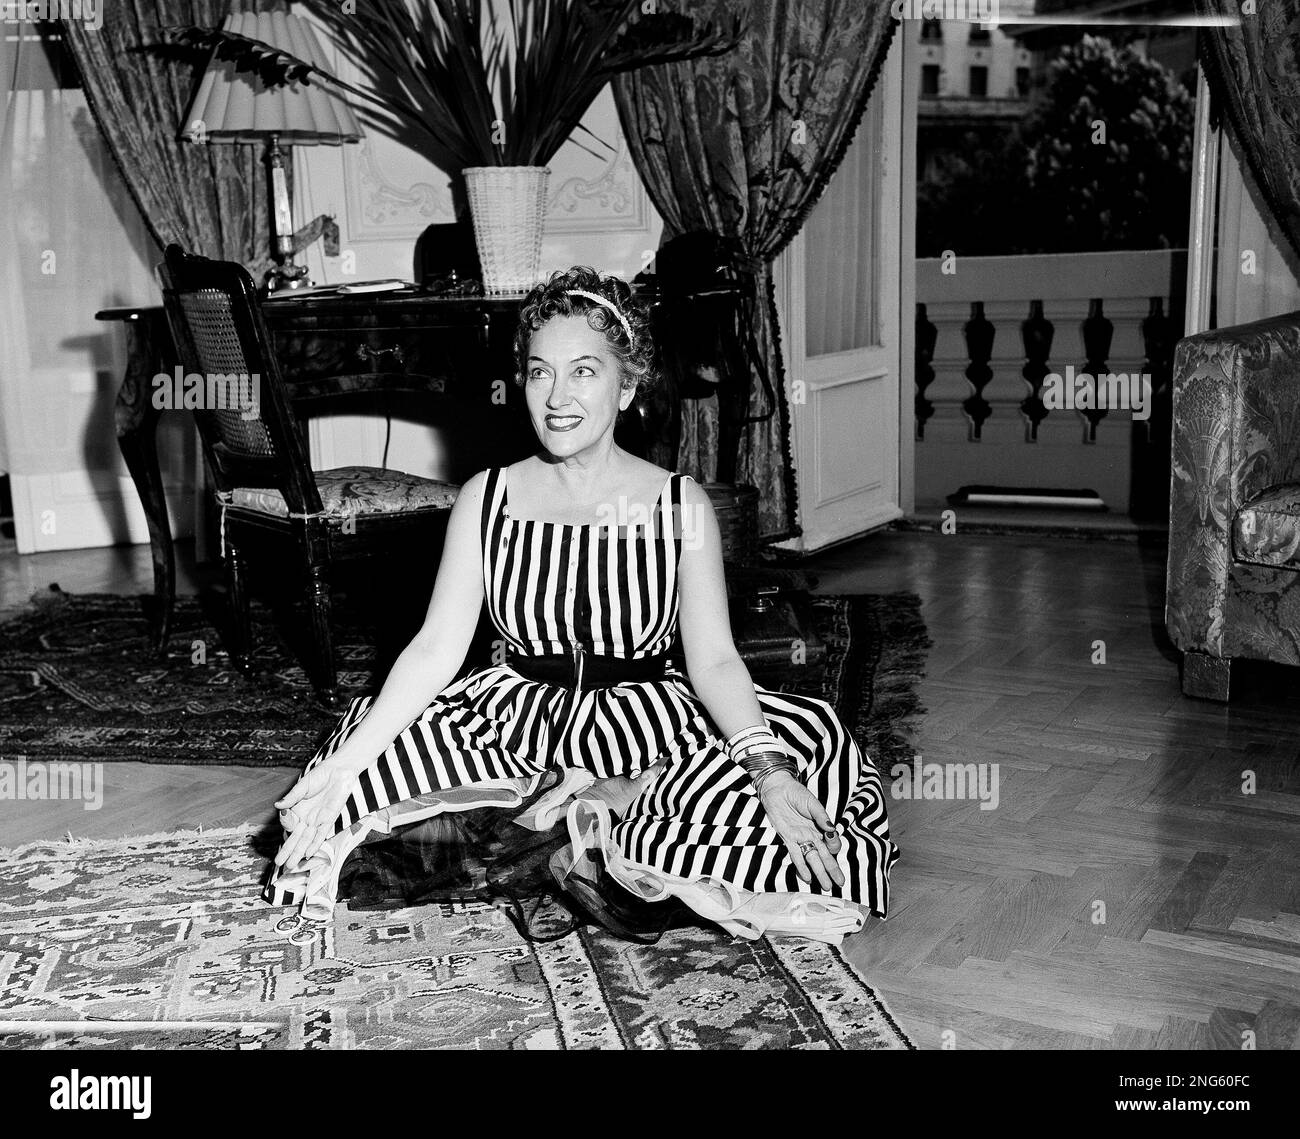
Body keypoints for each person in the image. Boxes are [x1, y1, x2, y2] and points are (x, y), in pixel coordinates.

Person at [265, 265, 899, 945]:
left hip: (650, 732)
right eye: (540, 373)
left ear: (627, 386)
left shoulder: (679, 504)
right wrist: (346, 764)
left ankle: (604, 809)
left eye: (584, 372)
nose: (557, 397)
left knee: (790, 811)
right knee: (342, 803)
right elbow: (434, 648)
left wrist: (767, 770)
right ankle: (569, 830)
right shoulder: (487, 496)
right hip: (512, 725)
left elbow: (713, 659)